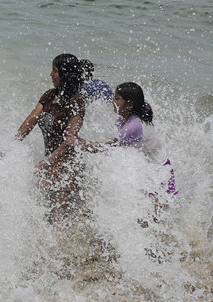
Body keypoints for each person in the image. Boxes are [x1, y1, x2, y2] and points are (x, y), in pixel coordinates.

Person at [71, 82, 176, 222]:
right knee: (145, 220)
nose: (113, 101)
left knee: (148, 222)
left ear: (129, 105)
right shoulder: (124, 119)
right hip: (149, 171)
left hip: (160, 176)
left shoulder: (134, 125)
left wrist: (80, 143)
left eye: (117, 98)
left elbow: (108, 147)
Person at [16, 53, 87, 222]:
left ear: (65, 73)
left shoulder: (76, 102)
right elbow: (31, 120)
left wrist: (49, 160)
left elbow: (70, 140)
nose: (51, 74)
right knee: (48, 211)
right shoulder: (49, 95)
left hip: (67, 163)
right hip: (50, 160)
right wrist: (13, 143)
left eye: (55, 70)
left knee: (57, 216)